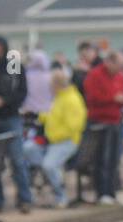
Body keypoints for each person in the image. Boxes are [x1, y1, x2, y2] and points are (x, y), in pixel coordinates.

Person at [25, 68, 85, 209]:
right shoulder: (61, 97)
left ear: (57, 84)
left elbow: (73, 127)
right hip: (54, 141)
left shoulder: (71, 99)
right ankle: (51, 179)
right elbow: (54, 117)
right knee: (28, 149)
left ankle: (61, 195)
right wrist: (39, 116)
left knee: (49, 165)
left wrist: (52, 136)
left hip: (66, 141)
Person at [0, 35, 34, 214]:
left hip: (10, 116)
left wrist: (4, 101)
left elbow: (18, 91)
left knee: (17, 159)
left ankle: (24, 198)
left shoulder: (12, 64)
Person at [82, 49, 123, 204]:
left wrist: (122, 99)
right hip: (99, 122)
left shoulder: (120, 76)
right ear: (109, 62)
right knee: (102, 158)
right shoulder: (95, 75)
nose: (120, 69)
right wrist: (113, 98)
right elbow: (92, 97)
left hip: (115, 120)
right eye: (118, 65)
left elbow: (121, 92)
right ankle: (102, 192)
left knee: (114, 159)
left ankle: (111, 191)